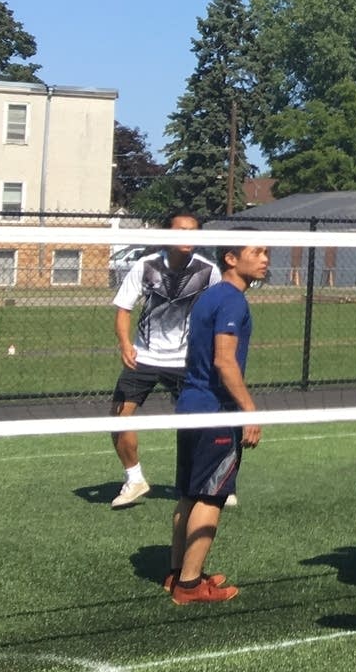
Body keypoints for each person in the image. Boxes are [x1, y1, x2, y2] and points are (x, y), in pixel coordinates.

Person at [166, 243, 269, 605]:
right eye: (257, 252)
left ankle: (178, 573)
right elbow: (225, 361)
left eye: (266, 252)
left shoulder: (208, 297)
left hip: (191, 405)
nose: (265, 259)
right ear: (231, 259)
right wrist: (248, 411)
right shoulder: (232, 301)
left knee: (189, 494)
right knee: (211, 496)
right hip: (215, 411)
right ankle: (190, 586)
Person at [107, 213, 218, 508]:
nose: (187, 236)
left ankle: (212, 482)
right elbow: (123, 308)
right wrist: (125, 344)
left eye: (193, 231)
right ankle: (135, 480)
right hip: (144, 357)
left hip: (185, 360)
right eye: (181, 230)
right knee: (118, 417)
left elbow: (219, 311)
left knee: (203, 422)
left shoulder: (209, 271)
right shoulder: (146, 266)